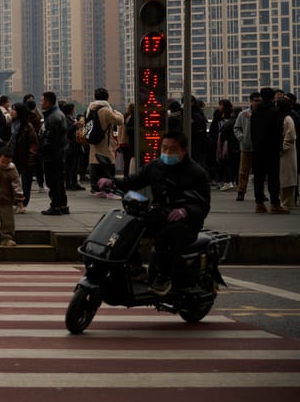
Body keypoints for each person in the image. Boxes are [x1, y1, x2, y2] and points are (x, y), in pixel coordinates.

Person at [101, 131, 210, 296]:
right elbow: (133, 181)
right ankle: (136, 267)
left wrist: (185, 211)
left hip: (186, 224)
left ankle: (163, 277)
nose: (167, 153)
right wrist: (112, 182)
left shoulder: (197, 173)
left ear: (183, 150)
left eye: (172, 149)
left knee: (168, 234)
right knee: (128, 225)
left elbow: (203, 205)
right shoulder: (155, 166)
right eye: (164, 148)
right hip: (160, 214)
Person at [252, 87, 286, 213]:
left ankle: (259, 204)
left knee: (259, 178)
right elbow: (278, 132)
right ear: (272, 97)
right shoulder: (275, 111)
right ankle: (275, 204)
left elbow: (253, 132)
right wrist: (279, 146)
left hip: (258, 149)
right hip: (272, 149)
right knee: (273, 178)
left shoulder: (255, 112)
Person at [86, 88, 124, 198]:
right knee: (108, 166)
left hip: (94, 142)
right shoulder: (106, 110)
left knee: (95, 165)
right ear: (107, 97)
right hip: (105, 143)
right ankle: (109, 190)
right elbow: (119, 121)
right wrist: (117, 112)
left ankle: (96, 189)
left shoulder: (90, 109)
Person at [39, 91, 69, 215]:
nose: (41, 103)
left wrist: (41, 148)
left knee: (53, 181)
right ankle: (62, 205)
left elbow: (51, 139)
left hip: (52, 155)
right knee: (59, 180)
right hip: (58, 153)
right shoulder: (55, 115)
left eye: (42, 100)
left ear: (48, 102)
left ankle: (55, 206)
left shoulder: (53, 117)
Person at [9, 102, 39, 213]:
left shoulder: (27, 126)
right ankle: (15, 202)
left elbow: (33, 143)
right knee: (13, 181)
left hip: (25, 157)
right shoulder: (11, 123)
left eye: (14, 109)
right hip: (13, 156)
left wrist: (31, 157)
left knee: (25, 182)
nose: (11, 111)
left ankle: (23, 203)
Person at [233, 92, 261, 202]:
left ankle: (259, 193)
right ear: (251, 101)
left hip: (260, 147)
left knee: (260, 172)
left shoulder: (263, 113)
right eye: (256, 100)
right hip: (246, 146)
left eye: (260, 100)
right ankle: (241, 192)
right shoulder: (243, 114)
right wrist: (242, 138)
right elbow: (236, 128)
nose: (258, 102)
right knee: (243, 171)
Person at [277, 98, 297, 212]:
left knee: (288, 178)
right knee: (283, 178)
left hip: (287, 152)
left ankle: (287, 203)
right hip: (283, 151)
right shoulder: (282, 118)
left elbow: (291, 137)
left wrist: (282, 148)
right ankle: (284, 202)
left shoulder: (288, 119)